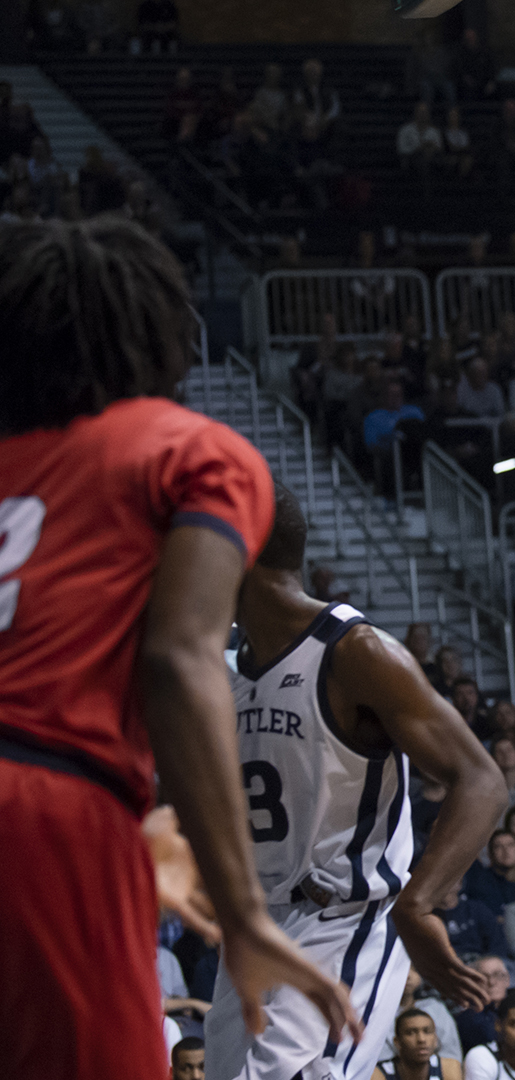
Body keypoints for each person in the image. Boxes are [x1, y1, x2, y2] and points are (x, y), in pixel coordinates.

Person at [0, 217, 359, 1079]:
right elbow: (178, 658)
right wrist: (243, 911)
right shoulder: (189, 450)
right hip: (45, 807)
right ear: (161, 336)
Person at [207, 483, 508, 1080]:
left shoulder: (354, 651)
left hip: (340, 917)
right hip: (255, 924)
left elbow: (481, 779)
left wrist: (418, 905)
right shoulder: (227, 664)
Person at [378, 1008, 466, 1080]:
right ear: (397, 1042)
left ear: (436, 1039)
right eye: (411, 1033)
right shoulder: (379, 1073)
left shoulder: (448, 1068)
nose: (421, 1039)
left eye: (427, 1032)